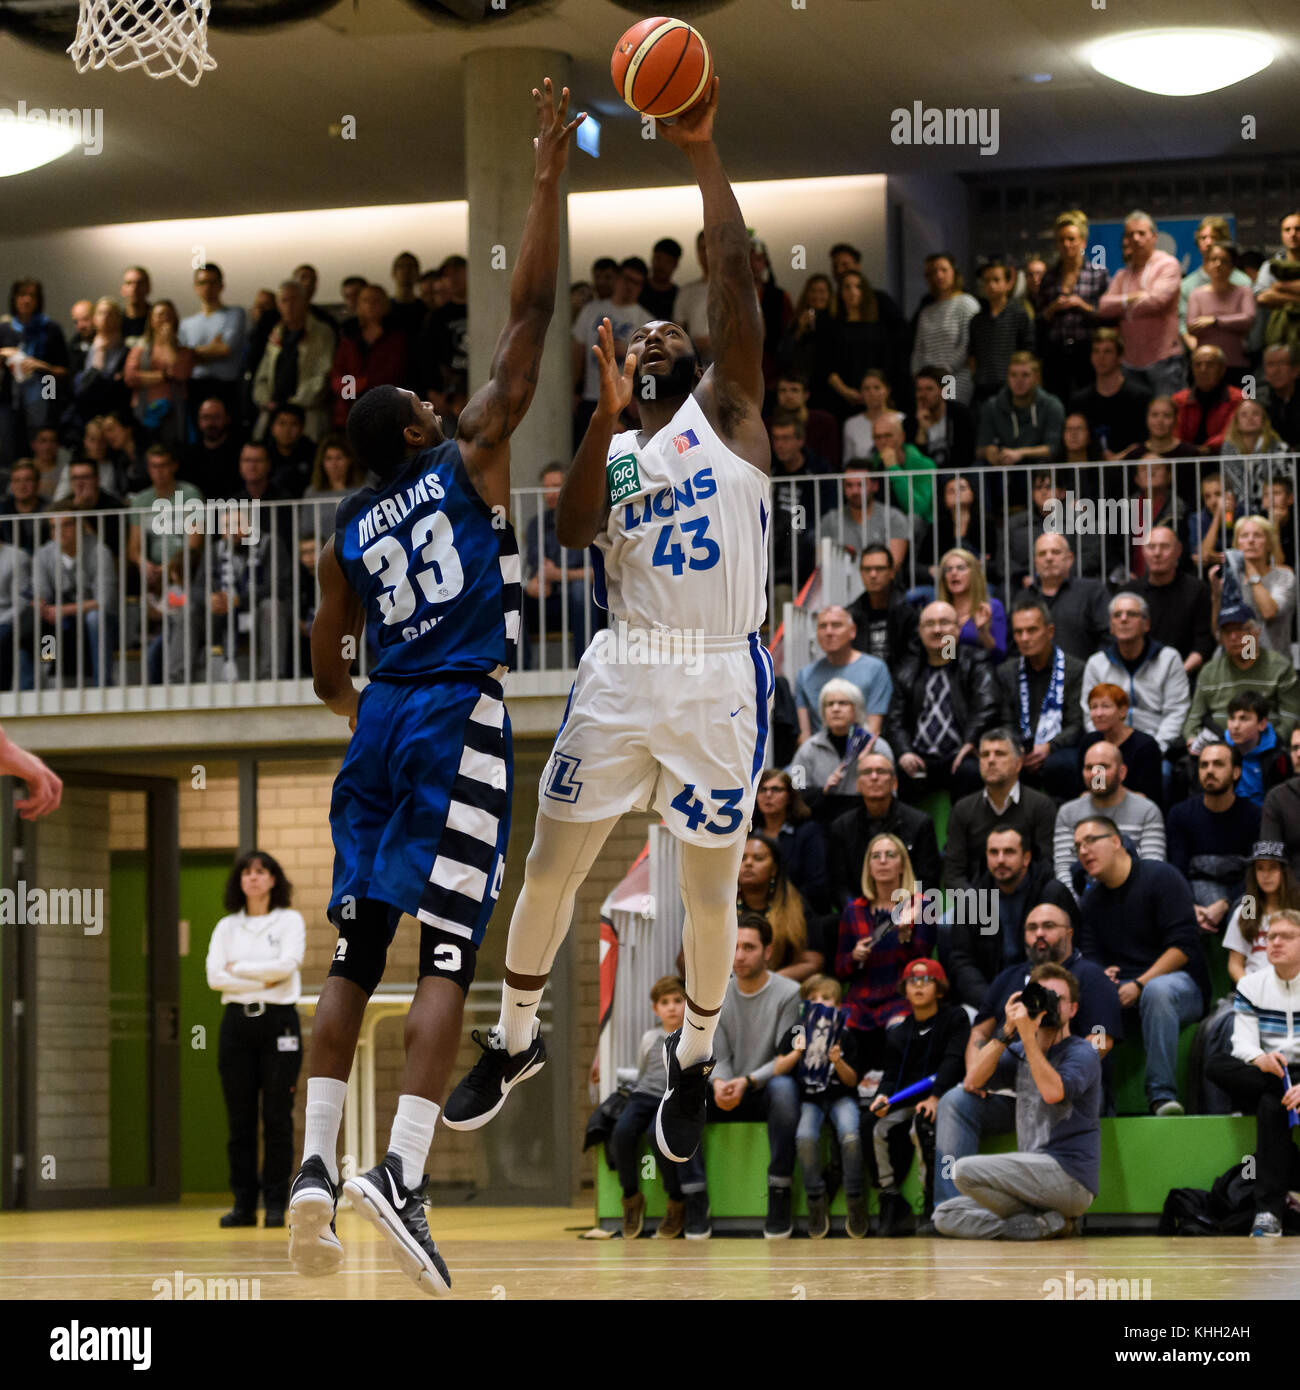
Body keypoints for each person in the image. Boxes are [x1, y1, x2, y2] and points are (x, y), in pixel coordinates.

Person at [444, 85, 779, 1215]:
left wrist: (701, 146)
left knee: (705, 886)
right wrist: (596, 419)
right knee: (549, 863)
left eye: (666, 327)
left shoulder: (732, 412)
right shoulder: (621, 451)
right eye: (640, 336)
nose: (658, 332)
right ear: (625, 368)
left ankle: (689, 1059)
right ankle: (519, 1034)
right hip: (627, 664)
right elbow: (576, 528)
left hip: (719, 671)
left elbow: (731, 272)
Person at [287, 81, 583, 1296]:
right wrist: (550, 179)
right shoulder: (464, 460)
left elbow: (320, 663)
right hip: (460, 710)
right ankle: (399, 1177)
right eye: (414, 399)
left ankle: (313, 1168)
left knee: (353, 956)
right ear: (416, 430)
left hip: (383, 726)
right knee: (450, 949)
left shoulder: (344, 534)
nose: (424, 395)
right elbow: (530, 314)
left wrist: (369, 716)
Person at [934, 903, 1119, 1219]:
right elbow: (980, 1032)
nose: (1040, 934)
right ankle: (958, 1206)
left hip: (1071, 1088)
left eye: (1049, 926)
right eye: (1032, 928)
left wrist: (1061, 1057)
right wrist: (1007, 1035)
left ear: (1069, 933)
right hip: (1017, 1093)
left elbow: (1103, 1038)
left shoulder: (1090, 975)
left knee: (1052, 1093)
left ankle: (1015, 1215)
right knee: (955, 1099)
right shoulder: (1010, 979)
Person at [933, 962, 1101, 1239]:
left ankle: (1045, 1219)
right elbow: (973, 1081)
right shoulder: (1020, 1048)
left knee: (963, 1171)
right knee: (946, 1215)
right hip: (1028, 1181)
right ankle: (1046, 1223)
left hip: (1069, 1179)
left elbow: (1053, 1093)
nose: (1049, 1005)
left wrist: (1028, 1036)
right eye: (1042, 997)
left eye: (1057, 1000)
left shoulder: (1082, 1052)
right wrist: (1005, 1032)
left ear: (1072, 1009)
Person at [673, 914, 801, 1239]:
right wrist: (719, 1084)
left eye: (749, 947)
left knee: (786, 1091)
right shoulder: (718, 992)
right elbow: (719, 1052)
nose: (740, 955)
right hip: (726, 1087)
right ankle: (695, 1195)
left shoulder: (789, 993)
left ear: (768, 952)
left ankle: (780, 1191)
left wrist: (747, 1082)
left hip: (764, 1087)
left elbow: (787, 1056)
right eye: (735, 947)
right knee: (684, 1094)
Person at [1075, 815, 1208, 1114]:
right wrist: (1101, 975)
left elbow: (1184, 946)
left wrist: (1140, 984)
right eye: (1077, 847)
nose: (1083, 851)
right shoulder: (1092, 901)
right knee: (1085, 995)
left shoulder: (1161, 877)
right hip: (1122, 991)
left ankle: (1161, 1096)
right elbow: (1091, 956)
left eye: (1090, 841)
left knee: (1157, 991)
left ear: (1116, 841)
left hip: (1178, 986)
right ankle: (1098, 1104)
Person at [204, 850, 306, 1229]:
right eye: (247, 872)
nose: (253, 878)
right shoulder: (226, 927)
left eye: (261, 872)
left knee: (277, 1116)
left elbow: (287, 967)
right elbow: (216, 978)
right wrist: (263, 975)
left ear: (273, 879)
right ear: (239, 881)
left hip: (279, 1022)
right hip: (237, 1025)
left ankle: (277, 1202)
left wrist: (241, 969)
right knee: (240, 1119)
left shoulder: (290, 920)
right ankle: (244, 1205)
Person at [1204, 908, 1300, 1236]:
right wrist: (1260, 1058)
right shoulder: (1250, 984)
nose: (1274, 943)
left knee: (1271, 1106)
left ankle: (1269, 1213)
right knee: (1216, 1063)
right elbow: (1240, 1042)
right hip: (1271, 1068)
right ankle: (1275, 1207)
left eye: (1285, 936)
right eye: (1270, 937)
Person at [868, 958, 969, 1234]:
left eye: (926, 980)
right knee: (874, 1127)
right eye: (913, 981)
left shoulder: (955, 1018)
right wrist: (881, 1096)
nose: (919, 986)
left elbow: (954, 1060)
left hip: (947, 1096)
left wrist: (936, 1097)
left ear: (939, 988)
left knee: (923, 1125)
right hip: (908, 1101)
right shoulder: (899, 1033)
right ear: (905, 989)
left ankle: (931, 1203)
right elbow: (890, 1076)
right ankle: (891, 1198)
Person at [775, 974, 867, 1238]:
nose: (819, 1003)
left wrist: (837, 1061)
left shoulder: (846, 1035)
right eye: (812, 999)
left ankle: (854, 1197)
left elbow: (852, 1080)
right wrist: (797, 1052)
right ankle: (815, 1198)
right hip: (810, 1100)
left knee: (850, 1136)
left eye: (826, 999)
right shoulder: (797, 1030)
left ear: (838, 1006)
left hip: (841, 1097)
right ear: (804, 1005)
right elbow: (778, 1068)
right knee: (804, 1137)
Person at [833, 834, 935, 1072]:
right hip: (861, 998)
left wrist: (905, 935)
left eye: (890, 855)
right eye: (876, 856)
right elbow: (840, 968)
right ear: (868, 866)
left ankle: (891, 1091)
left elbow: (923, 963)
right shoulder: (854, 909)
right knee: (837, 1030)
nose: (882, 861)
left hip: (901, 996)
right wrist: (854, 957)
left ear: (902, 865)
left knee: (900, 1032)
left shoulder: (921, 905)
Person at [950, 825, 1079, 1009]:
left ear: (1026, 857)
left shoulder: (1051, 892)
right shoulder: (972, 900)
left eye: (1009, 852)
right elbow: (962, 961)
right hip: (991, 997)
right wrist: (991, 1002)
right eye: (994, 853)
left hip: (1047, 995)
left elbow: (1072, 950)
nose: (1000, 860)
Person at [885, 600, 997, 802]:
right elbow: (894, 720)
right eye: (929, 624)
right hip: (919, 758)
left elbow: (986, 705)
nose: (937, 630)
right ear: (920, 631)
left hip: (959, 755)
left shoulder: (972, 661)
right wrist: (904, 752)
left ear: (957, 628)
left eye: (944, 623)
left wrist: (970, 741)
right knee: (890, 773)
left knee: (971, 771)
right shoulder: (908, 670)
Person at [1080, 591, 1190, 792]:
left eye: (1131, 614)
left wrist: (1154, 749)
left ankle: (1151, 822)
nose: (1123, 619)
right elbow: (1090, 715)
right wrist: (1106, 751)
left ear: (1146, 624)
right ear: (1111, 626)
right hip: (1107, 745)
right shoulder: (1097, 663)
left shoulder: (1169, 659)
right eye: (1117, 615)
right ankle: (1097, 821)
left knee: (1163, 776)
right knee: (1094, 778)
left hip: (1154, 745)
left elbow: (1176, 710)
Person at [610, 975, 688, 1240]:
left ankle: (676, 1200)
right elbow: (642, 1070)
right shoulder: (650, 1037)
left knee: (657, 1137)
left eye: (678, 1001)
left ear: (687, 1004)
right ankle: (631, 1198)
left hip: (671, 1098)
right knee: (622, 1132)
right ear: (656, 1009)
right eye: (664, 1002)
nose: (672, 1007)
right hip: (644, 1095)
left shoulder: (692, 1038)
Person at [825, 747, 942, 909]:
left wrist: (907, 913)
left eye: (881, 771)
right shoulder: (841, 827)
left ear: (894, 783)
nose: (874, 777)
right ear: (858, 785)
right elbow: (839, 885)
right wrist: (859, 916)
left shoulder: (920, 823)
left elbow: (928, 881)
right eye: (867, 772)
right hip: (859, 914)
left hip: (909, 913)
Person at [994, 594, 1084, 801]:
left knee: (1060, 764)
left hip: (1059, 749)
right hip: (1021, 749)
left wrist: (1049, 747)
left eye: (1032, 630)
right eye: (1018, 632)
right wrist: (1017, 750)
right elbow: (1005, 721)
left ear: (1049, 631)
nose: (1025, 638)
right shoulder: (1006, 672)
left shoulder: (1075, 669)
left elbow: (1076, 724)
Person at [942, 728, 1056, 890]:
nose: (991, 760)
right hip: (977, 904)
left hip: (1027, 901)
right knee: (944, 917)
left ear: (1018, 763)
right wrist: (979, 906)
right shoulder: (963, 809)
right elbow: (953, 875)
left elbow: (1047, 868)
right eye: (985, 755)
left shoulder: (1041, 806)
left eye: (1000, 754)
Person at [1166, 741, 1262, 935]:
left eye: (1218, 764)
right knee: (1189, 915)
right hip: (1198, 889)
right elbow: (1178, 871)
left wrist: (1227, 904)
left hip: (1245, 890)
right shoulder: (1180, 814)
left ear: (1235, 772)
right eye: (1204, 765)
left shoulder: (1255, 816)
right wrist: (1190, 907)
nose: (1209, 770)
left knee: (1251, 914)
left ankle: (1247, 963)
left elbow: (1257, 872)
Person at [1183, 606, 1300, 753]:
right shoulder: (1209, 671)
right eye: (1227, 632)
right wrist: (1193, 741)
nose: (1233, 637)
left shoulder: (1279, 667)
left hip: (1268, 749)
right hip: (1218, 748)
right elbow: (1193, 719)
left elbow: (1291, 717)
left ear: (1256, 632)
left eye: (1240, 630)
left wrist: (1270, 744)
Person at [1053, 741, 1165, 891]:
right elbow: (1063, 868)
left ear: (1122, 772)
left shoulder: (1147, 810)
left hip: (1132, 895)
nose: (1095, 774)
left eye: (1103, 767)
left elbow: (1153, 867)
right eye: (1089, 768)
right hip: (1083, 897)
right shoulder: (1068, 813)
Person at [1096, 210, 1185, 397]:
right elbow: (1103, 307)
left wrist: (1120, 305)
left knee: (1166, 418)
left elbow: (1156, 301)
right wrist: (1133, 297)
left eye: (1141, 233)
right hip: (1130, 362)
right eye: (1130, 234)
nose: (1136, 238)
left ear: (1154, 236)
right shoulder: (1123, 274)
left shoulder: (1167, 264)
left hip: (1164, 359)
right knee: (1135, 422)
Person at [518, 460, 597, 670]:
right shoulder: (536, 524)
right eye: (546, 488)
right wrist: (534, 582)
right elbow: (535, 566)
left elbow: (596, 573)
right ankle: (520, 668)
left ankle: (585, 667)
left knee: (581, 591)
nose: (550, 493)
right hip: (548, 598)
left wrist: (560, 574)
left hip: (578, 598)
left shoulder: (584, 520)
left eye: (555, 486)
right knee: (513, 597)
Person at [570, 256, 650, 442]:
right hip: (591, 396)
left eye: (637, 283)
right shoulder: (591, 310)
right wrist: (574, 391)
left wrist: (639, 397)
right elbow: (577, 352)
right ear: (618, 278)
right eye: (627, 279)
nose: (630, 286)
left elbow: (650, 365)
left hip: (625, 399)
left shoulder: (645, 319)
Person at [788, 678, 891, 824]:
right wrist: (822, 790)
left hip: (867, 818)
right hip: (821, 818)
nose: (835, 709)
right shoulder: (808, 749)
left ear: (857, 709)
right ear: (823, 712)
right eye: (829, 704)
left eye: (843, 703)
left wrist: (865, 767)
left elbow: (892, 792)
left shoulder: (877, 747)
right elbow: (795, 791)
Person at [33, 512, 118, 687]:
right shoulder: (43, 554)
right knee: (42, 623)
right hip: (59, 620)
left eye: (67, 525)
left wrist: (63, 610)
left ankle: (102, 683)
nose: (60, 531)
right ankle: (47, 682)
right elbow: (42, 595)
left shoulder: (99, 551)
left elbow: (104, 601)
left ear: (80, 527)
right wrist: (39, 603)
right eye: (54, 527)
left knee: (95, 618)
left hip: (97, 619)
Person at [1121, 526, 1213, 679]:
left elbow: (1203, 644)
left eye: (1165, 547)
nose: (1157, 553)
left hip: (1184, 676)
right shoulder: (1129, 594)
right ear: (1143, 552)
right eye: (1151, 547)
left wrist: (1177, 674)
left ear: (1178, 550)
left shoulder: (1197, 590)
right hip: (1137, 676)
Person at [1037, 209, 1109, 403]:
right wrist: (1052, 309)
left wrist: (1081, 305)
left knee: (1088, 403)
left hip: (1087, 350)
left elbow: (1107, 317)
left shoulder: (1098, 274)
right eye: (1061, 240)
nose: (1066, 245)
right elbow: (1038, 320)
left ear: (1083, 242)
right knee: (1056, 404)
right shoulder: (1049, 276)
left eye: (1071, 239)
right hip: (1055, 353)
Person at [251, 279, 335, 442]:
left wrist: (292, 404)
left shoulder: (322, 332)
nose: (289, 306)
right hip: (273, 413)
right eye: (284, 301)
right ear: (278, 304)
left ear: (305, 301)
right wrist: (266, 400)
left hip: (307, 414)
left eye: (295, 300)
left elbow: (323, 375)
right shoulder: (276, 332)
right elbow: (262, 375)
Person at [793, 605, 891, 742]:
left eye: (836, 625)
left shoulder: (875, 669)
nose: (828, 632)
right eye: (822, 626)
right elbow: (804, 736)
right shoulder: (805, 675)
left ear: (852, 631)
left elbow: (873, 730)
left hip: (862, 751)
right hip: (819, 752)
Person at [0, 277, 69, 462]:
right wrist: (3, 353)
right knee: (10, 445)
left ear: (39, 300)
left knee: (44, 443)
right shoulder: (5, 329)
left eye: (32, 295)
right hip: (12, 397)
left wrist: (43, 366)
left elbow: (64, 371)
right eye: (22, 295)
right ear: (14, 299)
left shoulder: (51, 329)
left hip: (47, 389)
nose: (27, 300)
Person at [736, 832, 822, 980]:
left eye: (758, 858)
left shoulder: (795, 906)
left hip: (779, 991)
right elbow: (686, 960)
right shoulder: (720, 905)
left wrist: (769, 983)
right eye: (742, 858)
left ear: (774, 869)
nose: (748, 863)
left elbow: (813, 962)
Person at [330, 284, 410, 428]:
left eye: (376, 301)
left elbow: (392, 374)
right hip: (350, 409)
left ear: (385, 304)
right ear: (359, 305)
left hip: (386, 409)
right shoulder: (349, 336)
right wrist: (353, 392)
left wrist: (360, 383)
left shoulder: (397, 337)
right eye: (366, 301)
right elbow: (338, 374)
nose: (371, 305)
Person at [974, 353, 1065, 479]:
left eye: (1025, 375)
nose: (1019, 381)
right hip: (1002, 469)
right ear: (1007, 378)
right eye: (1013, 375)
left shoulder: (1051, 405)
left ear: (1037, 377)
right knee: (979, 466)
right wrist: (988, 451)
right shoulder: (992, 406)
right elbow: (979, 450)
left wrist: (1020, 453)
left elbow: (1053, 448)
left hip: (1038, 468)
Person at [752, 768, 830, 915]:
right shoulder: (748, 835)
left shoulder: (808, 832)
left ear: (789, 797)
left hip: (797, 911)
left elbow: (816, 884)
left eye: (776, 789)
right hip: (752, 912)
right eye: (762, 790)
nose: (768, 795)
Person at [826, 274, 904, 419]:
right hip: (843, 398)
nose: (852, 291)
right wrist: (846, 391)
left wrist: (874, 391)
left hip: (876, 396)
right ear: (840, 292)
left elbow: (886, 362)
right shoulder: (833, 327)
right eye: (847, 287)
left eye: (858, 287)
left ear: (865, 292)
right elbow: (828, 366)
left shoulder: (879, 326)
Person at [1067, 327, 1151, 460]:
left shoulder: (1140, 397)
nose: (1101, 357)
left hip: (1132, 468)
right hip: (1092, 471)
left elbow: (1147, 441)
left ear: (1119, 357)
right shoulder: (1079, 401)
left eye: (1107, 352)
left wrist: (1121, 457)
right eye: (1096, 351)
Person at [1024, 531, 1110, 661]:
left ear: (1070, 558)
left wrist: (1093, 671)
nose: (1049, 558)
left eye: (1055, 552)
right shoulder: (1024, 598)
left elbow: (1109, 637)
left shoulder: (1093, 592)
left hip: (1085, 676)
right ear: (1035, 562)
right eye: (1042, 554)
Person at [178, 263, 247, 423]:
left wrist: (193, 353)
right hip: (195, 388)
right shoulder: (186, 324)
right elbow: (182, 359)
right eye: (202, 283)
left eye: (212, 282)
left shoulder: (235, 314)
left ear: (221, 285)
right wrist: (211, 349)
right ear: (195, 287)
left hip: (226, 388)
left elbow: (224, 349)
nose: (207, 287)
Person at [910, 253, 980, 405]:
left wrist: (942, 373)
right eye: (934, 271)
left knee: (950, 417)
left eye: (944, 270)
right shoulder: (926, 311)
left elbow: (967, 344)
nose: (939, 275)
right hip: (927, 380)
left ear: (954, 272)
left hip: (954, 377)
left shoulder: (966, 303)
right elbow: (918, 349)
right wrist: (918, 375)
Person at [1222, 844, 1300, 981]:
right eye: (1260, 868)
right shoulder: (1248, 907)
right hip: (1254, 988)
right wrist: (1250, 990)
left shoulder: (1297, 906)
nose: (1266, 875)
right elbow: (1235, 964)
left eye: (1273, 868)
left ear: (1285, 872)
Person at [124, 299, 193, 450]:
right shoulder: (139, 350)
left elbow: (180, 374)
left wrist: (167, 345)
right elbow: (130, 378)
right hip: (144, 413)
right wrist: (164, 376)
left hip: (174, 414)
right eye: (160, 315)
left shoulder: (183, 352)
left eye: (169, 315)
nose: (164, 319)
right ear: (151, 320)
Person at [1080, 682, 1163, 807]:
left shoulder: (1145, 746)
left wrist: (1110, 793)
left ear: (1123, 711)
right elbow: (1089, 790)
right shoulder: (1089, 742)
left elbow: (1147, 797)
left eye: (1105, 706)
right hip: (1098, 806)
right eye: (1093, 707)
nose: (1098, 713)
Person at [818, 462, 910, 568]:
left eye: (861, 484)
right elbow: (822, 565)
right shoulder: (830, 520)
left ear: (875, 486)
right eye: (849, 485)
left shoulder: (894, 518)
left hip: (881, 582)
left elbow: (893, 566)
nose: (855, 491)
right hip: (841, 582)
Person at [968, 257, 1034, 403]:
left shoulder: (1019, 314)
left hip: (1012, 386)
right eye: (987, 281)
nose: (991, 285)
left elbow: (1028, 350)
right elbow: (972, 355)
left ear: (1008, 283)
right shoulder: (977, 320)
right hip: (982, 386)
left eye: (996, 280)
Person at [1185, 242, 1254, 380]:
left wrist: (1214, 321)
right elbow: (1192, 326)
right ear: (1206, 263)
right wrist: (1232, 324)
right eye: (1213, 260)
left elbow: (1248, 320)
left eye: (1224, 261)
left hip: (1239, 364)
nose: (1218, 265)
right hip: (1204, 367)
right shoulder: (1196, 294)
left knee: (1247, 399)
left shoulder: (1244, 292)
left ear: (1232, 265)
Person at [1229, 514, 1296, 655]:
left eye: (1257, 535)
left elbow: (1268, 612)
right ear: (1237, 544)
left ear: (1269, 544)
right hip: (1240, 665)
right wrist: (1216, 597)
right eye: (1244, 536)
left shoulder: (1283, 576)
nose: (1251, 540)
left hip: (1275, 667)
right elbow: (1220, 631)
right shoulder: (1233, 580)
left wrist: (1251, 569)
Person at [846, 542, 919, 667]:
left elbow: (914, 659)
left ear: (892, 572)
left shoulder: (909, 612)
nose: (873, 575)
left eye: (879, 569)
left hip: (899, 684)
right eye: (867, 569)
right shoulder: (850, 615)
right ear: (861, 573)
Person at [935, 546, 1005, 663]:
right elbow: (946, 658)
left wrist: (982, 631)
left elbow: (999, 656)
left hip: (984, 673)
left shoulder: (992, 607)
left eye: (961, 568)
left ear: (974, 574)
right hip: (954, 676)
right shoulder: (940, 612)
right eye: (948, 569)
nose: (954, 573)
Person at [1225, 690, 1291, 809]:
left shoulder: (1277, 756)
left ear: (1261, 724)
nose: (1235, 726)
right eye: (1231, 718)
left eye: (1243, 719)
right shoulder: (1220, 751)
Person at [1172, 345, 1243, 455]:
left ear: (1222, 369)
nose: (1203, 370)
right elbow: (1174, 434)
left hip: (1223, 457)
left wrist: (1206, 448)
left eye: (1210, 365)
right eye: (1198, 365)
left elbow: (1232, 433)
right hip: (1184, 458)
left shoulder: (1238, 399)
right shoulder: (1178, 400)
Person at [867, 410, 934, 526]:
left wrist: (893, 468)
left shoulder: (924, 464)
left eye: (888, 436)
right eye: (877, 437)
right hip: (879, 524)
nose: (883, 442)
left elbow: (918, 509)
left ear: (902, 437)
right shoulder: (871, 465)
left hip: (914, 526)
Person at [911, 363, 975, 472]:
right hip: (927, 478)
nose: (923, 395)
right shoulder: (912, 420)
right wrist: (921, 431)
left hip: (955, 474)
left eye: (929, 389)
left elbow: (965, 455)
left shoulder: (960, 414)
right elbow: (915, 464)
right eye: (919, 390)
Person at [182, 396, 244, 500]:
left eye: (216, 417)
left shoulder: (240, 452)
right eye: (206, 417)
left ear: (227, 419)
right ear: (198, 421)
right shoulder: (190, 455)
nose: (211, 423)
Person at [840, 367, 894, 463]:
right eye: (866, 389)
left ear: (887, 390)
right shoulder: (851, 424)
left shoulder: (899, 419)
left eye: (877, 388)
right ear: (861, 393)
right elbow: (848, 463)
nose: (872, 393)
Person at [639, 236, 681, 321]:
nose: (661, 265)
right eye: (658, 259)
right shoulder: (637, 288)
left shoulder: (679, 297)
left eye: (667, 261)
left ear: (675, 264)